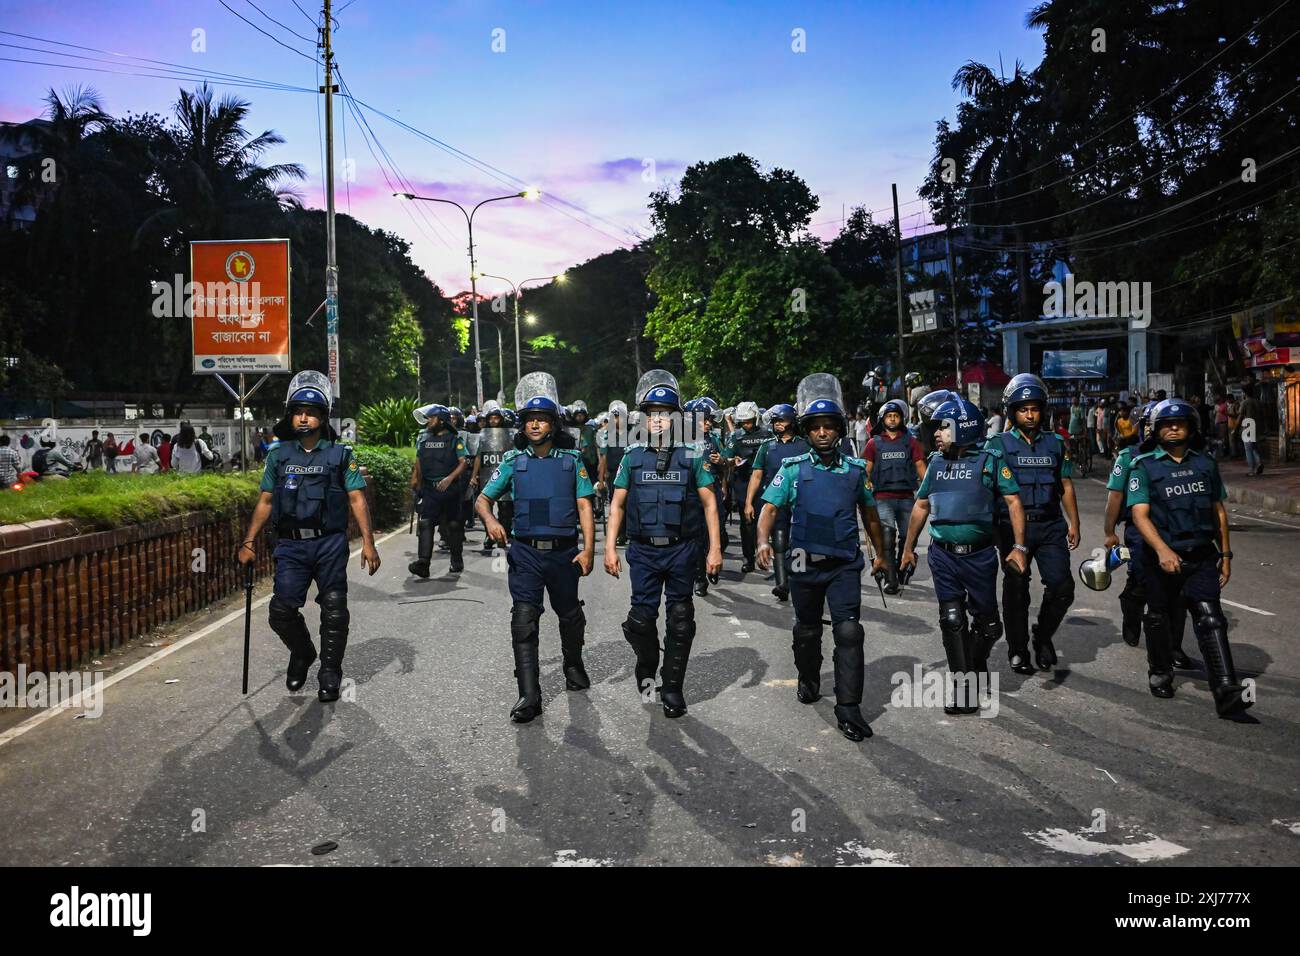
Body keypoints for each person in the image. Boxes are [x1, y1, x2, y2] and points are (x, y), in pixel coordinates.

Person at [757, 373, 886, 741]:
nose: (823, 433)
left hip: (844, 563)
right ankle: (809, 676)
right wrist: (763, 542)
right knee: (807, 629)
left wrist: (880, 555)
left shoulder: (856, 472)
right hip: (802, 562)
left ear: (839, 430)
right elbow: (768, 508)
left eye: (830, 427)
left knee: (849, 631)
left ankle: (848, 708)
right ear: (807, 431)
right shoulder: (793, 468)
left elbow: (871, 516)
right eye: (816, 428)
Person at [237, 370, 380, 703]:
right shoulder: (278, 455)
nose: (304, 418)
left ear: (322, 417)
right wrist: (247, 542)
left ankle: (330, 673)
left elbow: (357, 498)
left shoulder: (341, 455)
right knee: (281, 609)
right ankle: (302, 653)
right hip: (290, 545)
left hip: (329, 542)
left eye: (311, 412)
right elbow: (266, 501)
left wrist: (369, 544)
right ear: (291, 415)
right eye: (298, 412)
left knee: (334, 607)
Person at [475, 371, 596, 723]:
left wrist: (588, 549)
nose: (536, 425)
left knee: (569, 614)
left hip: (563, 553)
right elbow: (483, 500)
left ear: (553, 424)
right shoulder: (514, 461)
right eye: (531, 420)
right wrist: (492, 521)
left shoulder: (571, 461)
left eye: (542, 419)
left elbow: (586, 505)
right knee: (524, 621)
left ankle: (573, 664)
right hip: (525, 552)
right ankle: (529, 695)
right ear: (523, 425)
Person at [605, 371, 723, 718]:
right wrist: (610, 547)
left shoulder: (692, 456)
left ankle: (672, 688)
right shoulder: (632, 457)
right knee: (640, 621)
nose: (658, 419)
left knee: (680, 620)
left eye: (665, 414)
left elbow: (710, 504)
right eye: (652, 413)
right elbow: (617, 504)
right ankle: (647, 662)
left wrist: (714, 549)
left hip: (683, 549)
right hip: (642, 550)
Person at [901, 395, 1029, 714]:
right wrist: (907, 549)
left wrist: (1020, 547)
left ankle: (975, 662)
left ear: (963, 428)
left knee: (989, 626)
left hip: (980, 556)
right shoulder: (935, 463)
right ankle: (964, 690)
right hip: (943, 555)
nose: (936, 435)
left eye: (943, 428)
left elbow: (1013, 502)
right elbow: (921, 505)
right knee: (952, 620)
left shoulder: (990, 461)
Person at [1127, 399, 1249, 717]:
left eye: (1180, 422)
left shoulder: (1205, 464)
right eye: (1167, 423)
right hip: (1160, 557)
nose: (1174, 427)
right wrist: (1163, 551)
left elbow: (1218, 511)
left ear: (1192, 427)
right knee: (1159, 615)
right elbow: (1139, 515)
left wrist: (1226, 553)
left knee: (1210, 617)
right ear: (1155, 429)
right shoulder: (1143, 466)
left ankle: (1225, 689)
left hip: (1201, 554)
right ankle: (1160, 670)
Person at [985, 374, 1081, 674]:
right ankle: (1017, 650)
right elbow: (987, 489)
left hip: (1051, 524)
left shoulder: (1055, 443)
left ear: (1043, 410)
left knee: (1063, 587)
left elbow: (1064, 483)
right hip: (1012, 528)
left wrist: (1073, 522)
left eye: (1034, 408)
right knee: (1016, 589)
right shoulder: (997, 444)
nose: (1029, 414)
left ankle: (1042, 635)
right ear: (1012, 411)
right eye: (1022, 408)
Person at [1101, 402, 1193, 667]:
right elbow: (1116, 496)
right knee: (1144, 585)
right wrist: (1109, 531)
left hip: (1176, 531)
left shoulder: (1185, 455)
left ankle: (1173, 647)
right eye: (1155, 424)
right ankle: (1132, 613)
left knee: (1178, 592)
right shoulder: (1129, 456)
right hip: (1140, 531)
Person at [862, 399, 926, 595]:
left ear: (901, 419)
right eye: (889, 416)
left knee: (908, 537)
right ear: (883, 419)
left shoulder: (910, 442)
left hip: (906, 497)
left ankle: (902, 567)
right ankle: (891, 579)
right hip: (882, 497)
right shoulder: (874, 443)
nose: (892, 419)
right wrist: (863, 490)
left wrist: (931, 488)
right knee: (887, 537)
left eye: (896, 416)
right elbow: (867, 471)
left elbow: (921, 468)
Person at [746, 403, 808, 602]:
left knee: (797, 542)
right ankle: (782, 584)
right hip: (775, 502)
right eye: (775, 421)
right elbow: (756, 476)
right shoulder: (766, 447)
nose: (777, 425)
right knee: (779, 540)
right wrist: (748, 502)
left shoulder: (805, 445)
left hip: (801, 501)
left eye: (781, 420)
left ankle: (797, 581)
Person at [408, 403, 471, 576]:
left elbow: (463, 462)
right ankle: (423, 563)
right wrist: (416, 479)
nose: (428, 421)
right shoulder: (423, 438)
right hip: (430, 488)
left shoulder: (454, 439)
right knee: (426, 522)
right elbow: (419, 460)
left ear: (441, 421)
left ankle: (456, 560)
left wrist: (450, 478)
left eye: (432, 418)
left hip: (450, 489)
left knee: (453, 525)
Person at [685, 396, 728, 596]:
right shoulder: (681, 441)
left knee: (718, 533)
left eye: (710, 420)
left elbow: (726, 465)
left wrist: (721, 461)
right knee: (697, 538)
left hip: (714, 491)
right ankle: (700, 579)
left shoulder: (714, 439)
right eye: (705, 419)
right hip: (692, 494)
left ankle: (714, 558)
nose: (709, 423)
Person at [725, 402, 773, 573]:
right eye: (743, 422)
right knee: (748, 522)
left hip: (766, 481)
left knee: (768, 517)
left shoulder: (768, 434)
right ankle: (748, 557)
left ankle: (767, 552)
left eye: (749, 421)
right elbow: (726, 458)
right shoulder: (736, 437)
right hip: (743, 482)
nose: (746, 425)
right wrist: (732, 460)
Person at [470, 401, 514, 554]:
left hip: (505, 475)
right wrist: (474, 475)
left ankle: (503, 534)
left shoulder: (510, 434)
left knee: (505, 507)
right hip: (488, 474)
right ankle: (489, 534)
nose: (494, 421)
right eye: (491, 418)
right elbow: (478, 456)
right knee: (484, 506)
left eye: (496, 418)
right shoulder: (484, 435)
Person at [598, 400, 630, 547]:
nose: (618, 419)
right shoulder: (607, 434)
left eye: (621, 416)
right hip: (614, 475)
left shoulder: (632, 433)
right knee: (616, 504)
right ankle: (619, 533)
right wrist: (601, 480)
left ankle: (629, 531)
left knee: (630, 503)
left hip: (629, 474)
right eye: (615, 416)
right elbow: (603, 458)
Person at [1239, 382, 1263, 476]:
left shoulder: (1245, 402)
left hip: (1248, 426)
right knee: (1254, 447)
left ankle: (1251, 470)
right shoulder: (1258, 402)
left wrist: (1235, 429)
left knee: (1248, 449)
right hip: (1257, 426)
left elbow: (1240, 416)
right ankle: (1259, 463)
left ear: (1245, 393)